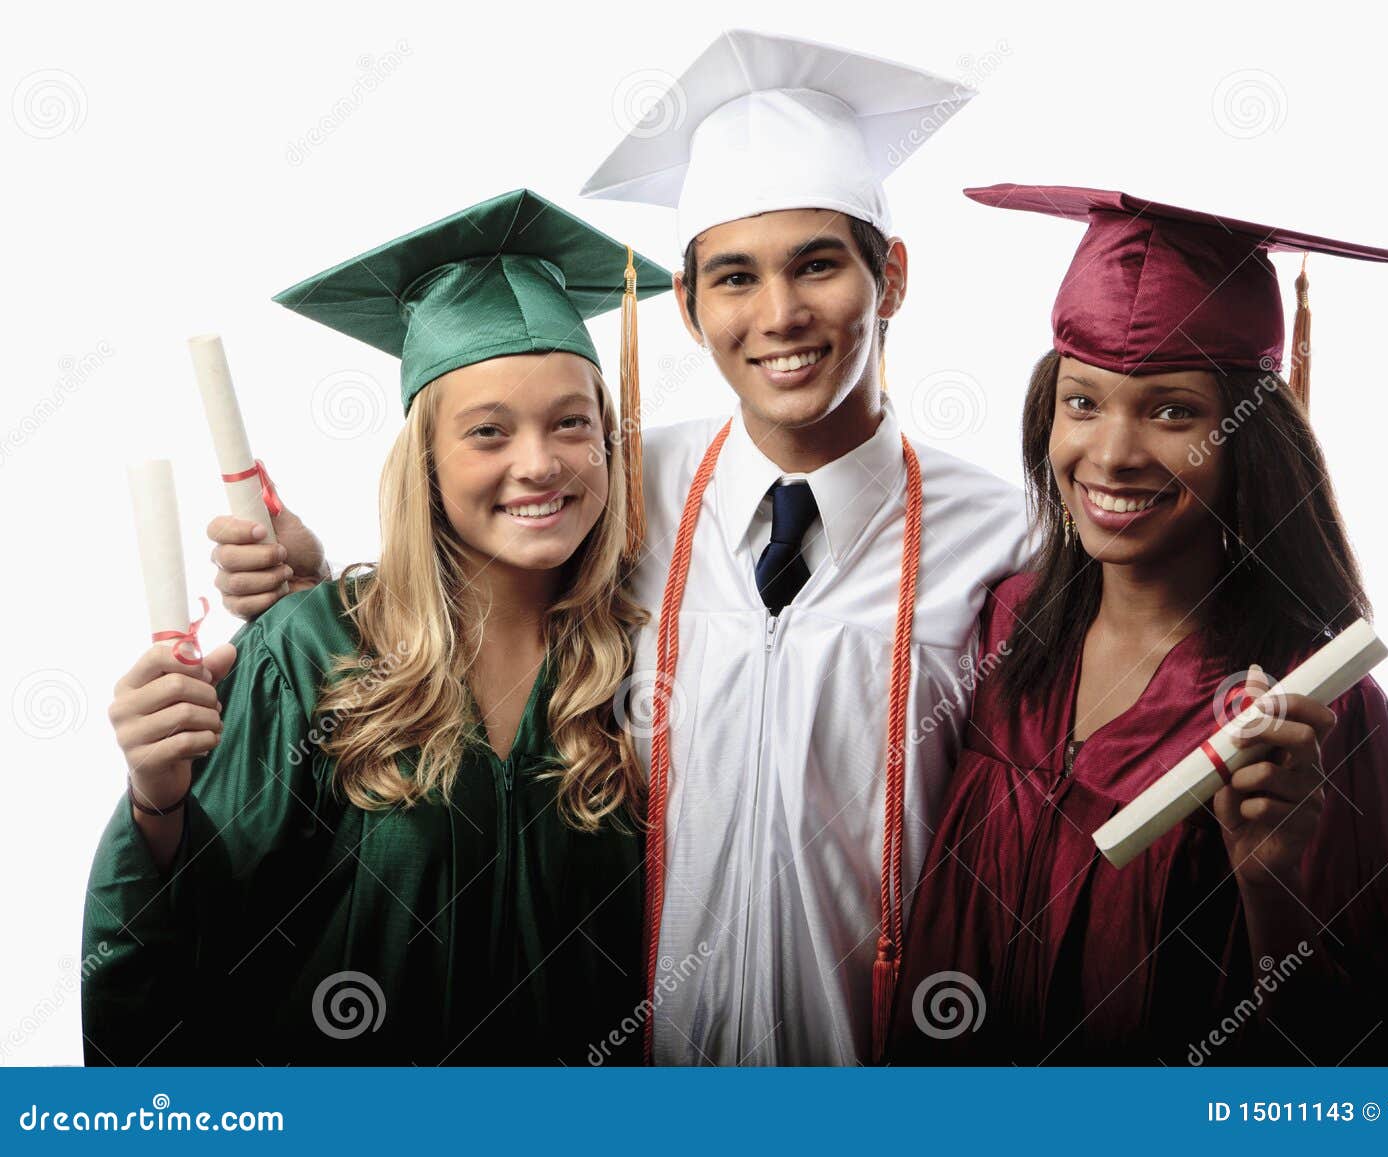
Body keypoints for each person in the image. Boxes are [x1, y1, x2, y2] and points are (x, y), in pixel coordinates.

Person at [209, 31, 1033, 1065]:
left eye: (817, 264)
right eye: (734, 277)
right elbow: (465, 568)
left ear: (892, 277)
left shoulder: (1009, 539)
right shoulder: (617, 492)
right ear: (686, 307)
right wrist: (314, 588)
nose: (779, 314)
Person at [84, 189, 673, 1065]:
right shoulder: (307, 654)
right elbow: (193, 937)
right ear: (424, 465)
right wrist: (155, 797)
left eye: (572, 423)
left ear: (611, 442)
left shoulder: (650, 654)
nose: (539, 462)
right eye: (487, 431)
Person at [890, 185, 1388, 1066]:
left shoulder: (1316, 714)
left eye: (1171, 412)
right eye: (1083, 402)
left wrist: (1271, 888)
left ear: (1247, 440)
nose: (1110, 454)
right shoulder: (996, 628)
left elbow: (1381, 1078)